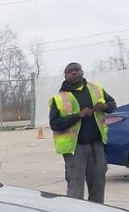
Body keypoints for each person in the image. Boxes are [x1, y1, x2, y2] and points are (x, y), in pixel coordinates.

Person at [49, 62, 116, 204]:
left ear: (82, 72)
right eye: (70, 71)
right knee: (75, 187)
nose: (74, 73)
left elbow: (113, 105)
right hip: (75, 149)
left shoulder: (95, 89)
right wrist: (78, 115)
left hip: (97, 146)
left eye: (76, 70)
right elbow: (54, 124)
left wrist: (104, 106)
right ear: (65, 76)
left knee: (98, 184)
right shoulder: (60, 98)